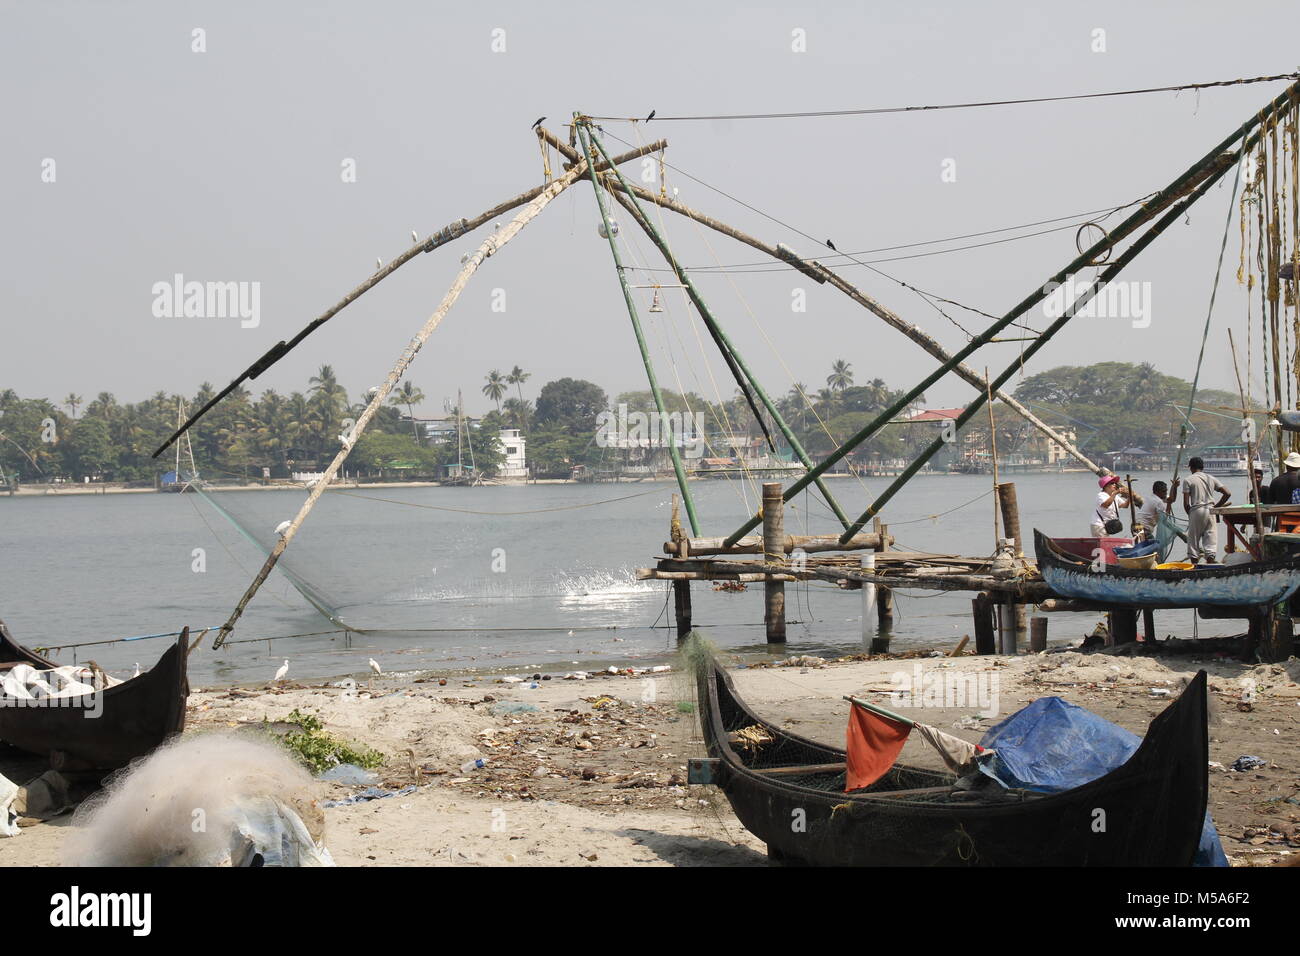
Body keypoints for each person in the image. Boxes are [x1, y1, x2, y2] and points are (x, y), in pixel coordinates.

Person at [1183, 456, 1231, 563]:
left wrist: (1190, 515)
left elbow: (1186, 504)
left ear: (1191, 467)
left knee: (1193, 541)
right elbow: (1227, 493)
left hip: (1196, 510)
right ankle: (1210, 564)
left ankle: (1194, 567)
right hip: (1211, 511)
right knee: (1210, 540)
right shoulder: (1211, 478)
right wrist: (1216, 506)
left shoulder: (1188, 480)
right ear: (1202, 467)